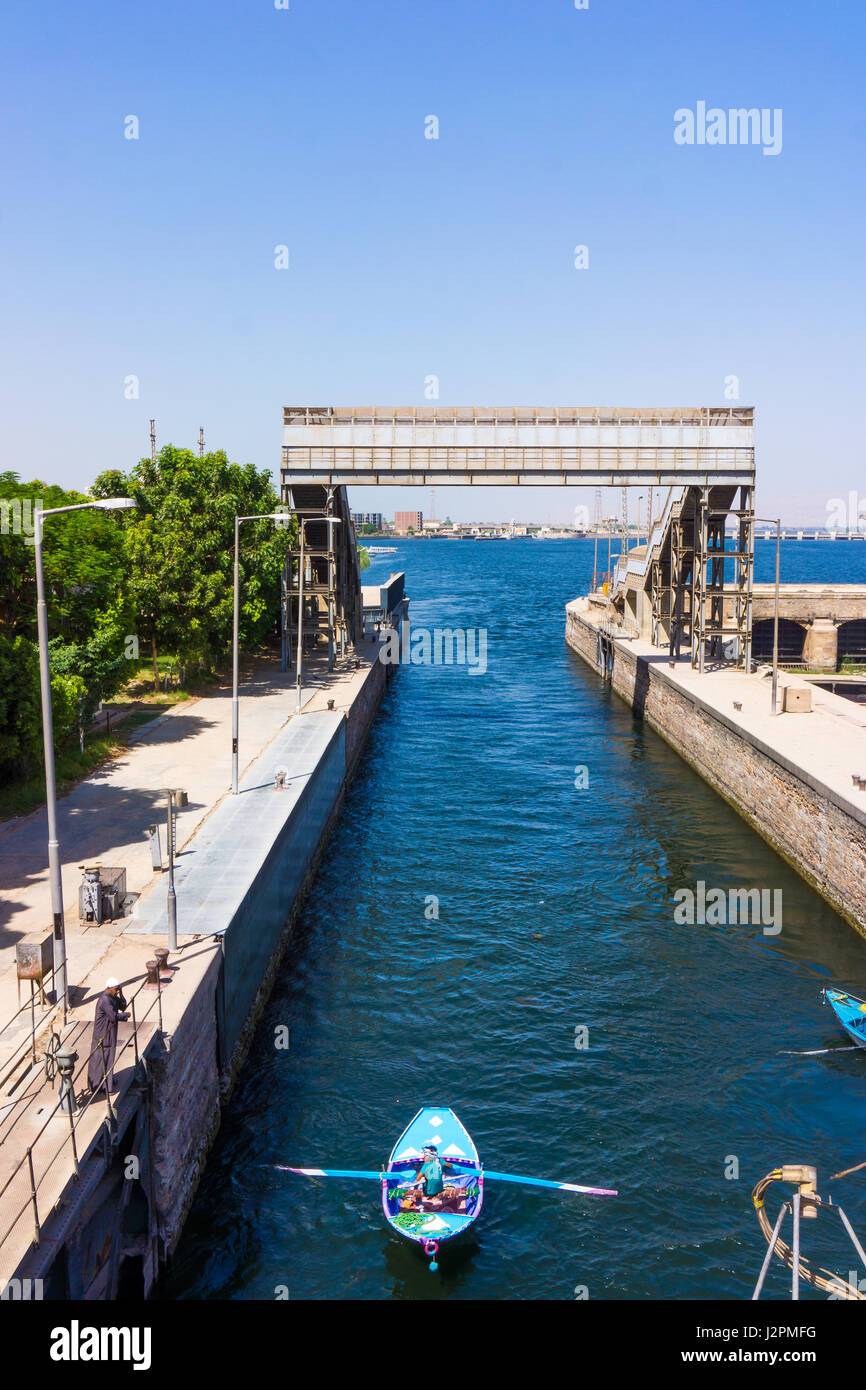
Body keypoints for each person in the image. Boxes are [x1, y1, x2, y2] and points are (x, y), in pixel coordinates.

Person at [86, 978, 129, 1095]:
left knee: (108, 1057)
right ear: (109, 988)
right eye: (116, 990)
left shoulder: (112, 997)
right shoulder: (105, 1000)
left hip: (109, 1032)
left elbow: (122, 1006)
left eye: (118, 990)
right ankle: (99, 1086)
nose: (117, 992)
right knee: (101, 1058)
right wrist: (125, 1015)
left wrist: (121, 994)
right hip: (102, 1034)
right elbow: (113, 1016)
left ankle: (106, 1082)